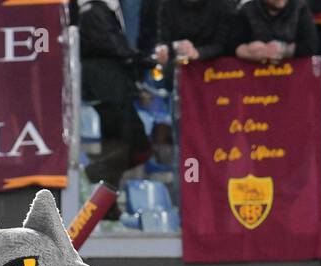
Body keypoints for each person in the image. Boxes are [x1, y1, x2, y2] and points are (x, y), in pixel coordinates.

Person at [75, 0, 154, 188]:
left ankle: (105, 193)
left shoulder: (103, 10)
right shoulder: (92, 11)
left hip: (114, 87)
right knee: (125, 145)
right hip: (106, 88)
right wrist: (146, 60)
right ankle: (91, 176)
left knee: (128, 147)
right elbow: (115, 48)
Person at [228, 0, 318, 62]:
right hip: (254, 76)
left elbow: (311, 46)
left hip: (291, 76)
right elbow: (234, 45)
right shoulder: (247, 10)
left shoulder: (300, 8)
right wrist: (250, 52)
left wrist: (281, 49)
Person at [152, 0, 236, 66]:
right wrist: (163, 48)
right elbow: (162, 39)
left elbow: (223, 45)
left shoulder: (222, 5)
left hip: (214, 68)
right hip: (179, 68)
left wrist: (196, 52)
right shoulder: (167, 4)